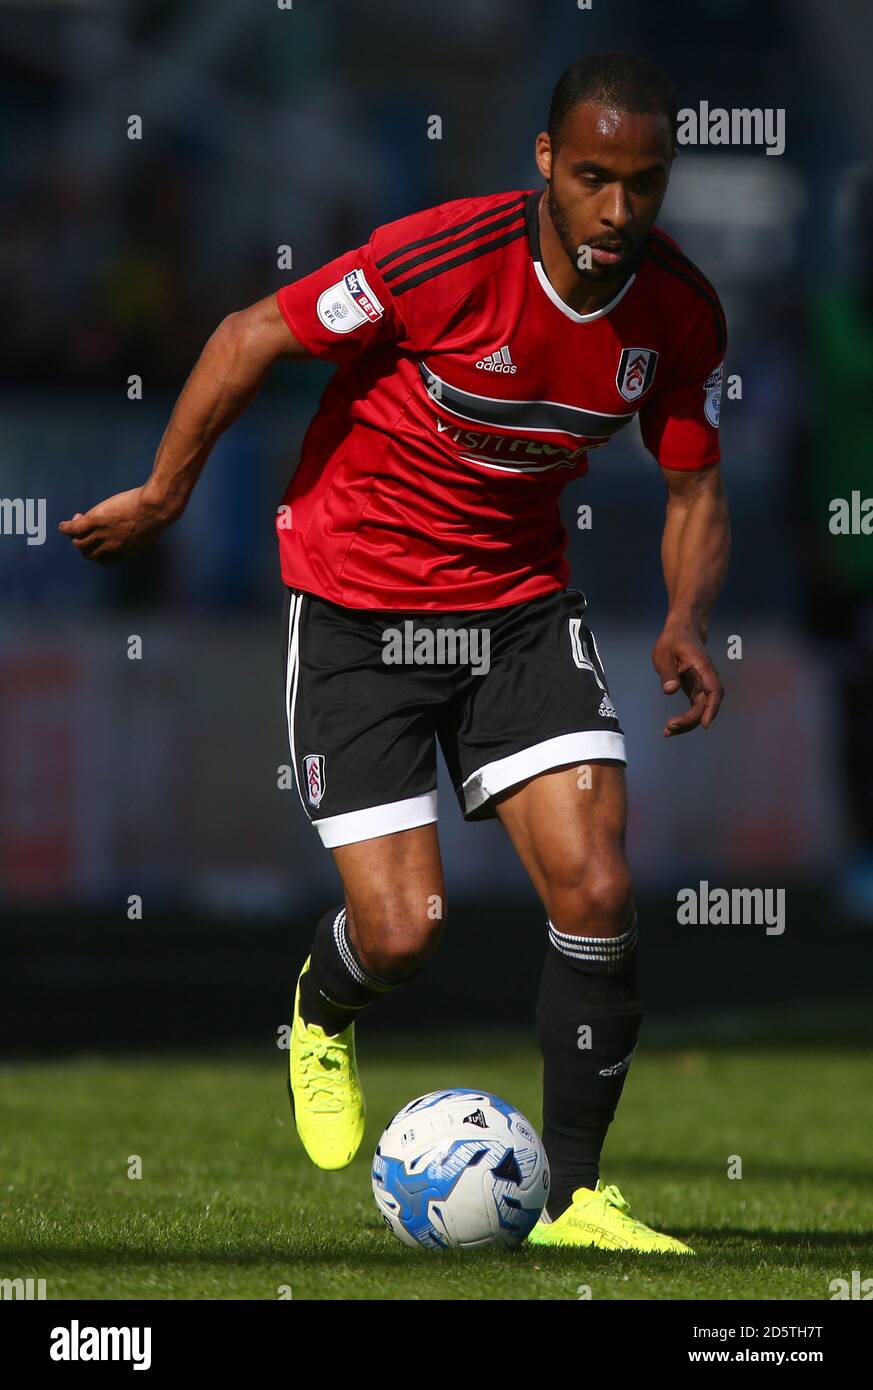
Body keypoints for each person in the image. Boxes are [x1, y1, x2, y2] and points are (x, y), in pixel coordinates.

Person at [60, 51, 729, 1252]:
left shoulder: (677, 309)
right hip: (359, 606)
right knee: (405, 930)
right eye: (593, 178)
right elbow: (249, 331)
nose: (619, 212)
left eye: (645, 183)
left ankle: (576, 1200)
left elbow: (691, 484)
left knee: (600, 887)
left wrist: (682, 618)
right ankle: (323, 1007)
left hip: (520, 609)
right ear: (544, 163)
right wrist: (164, 495)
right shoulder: (444, 259)